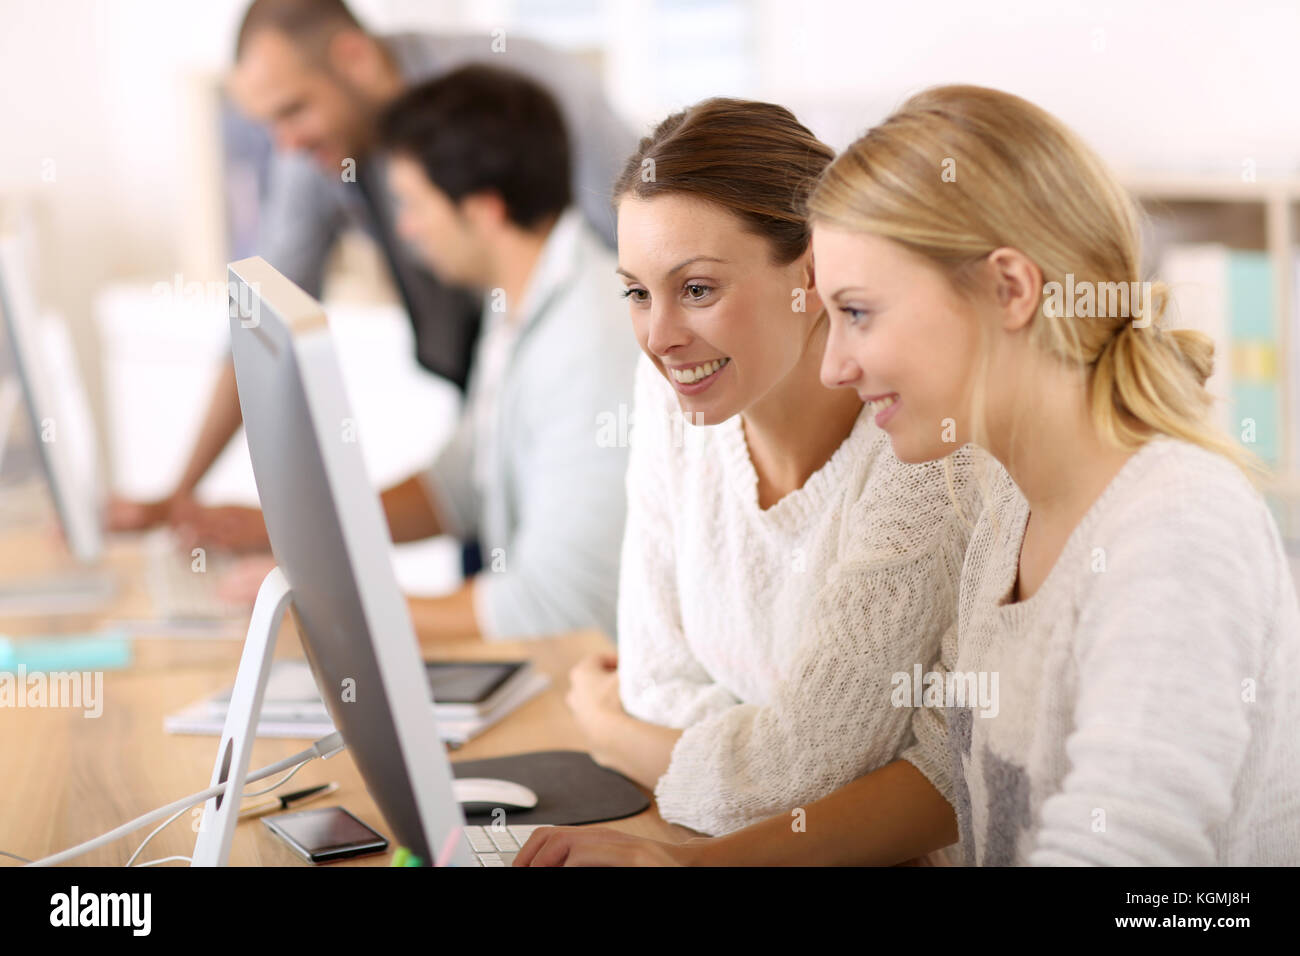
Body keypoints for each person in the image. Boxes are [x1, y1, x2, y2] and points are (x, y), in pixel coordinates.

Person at [516, 85, 1300, 865]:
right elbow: (944, 771)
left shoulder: (1174, 526)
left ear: (1009, 291)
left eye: (857, 312)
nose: (836, 363)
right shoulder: (1001, 508)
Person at [562, 98, 982, 836]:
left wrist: (613, 735)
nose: (659, 337)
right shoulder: (676, 395)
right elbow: (657, 682)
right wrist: (758, 755)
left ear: (813, 273)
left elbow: (819, 769)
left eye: (697, 289)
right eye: (637, 292)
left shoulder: (920, 446)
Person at [106, 0, 636, 557]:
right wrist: (182, 496)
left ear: (353, 57)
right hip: (492, 391)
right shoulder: (315, 146)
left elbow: (656, 245)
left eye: (293, 111)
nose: (285, 145)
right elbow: (264, 315)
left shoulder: (531, 89)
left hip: (592, 391)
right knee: (491, 539)